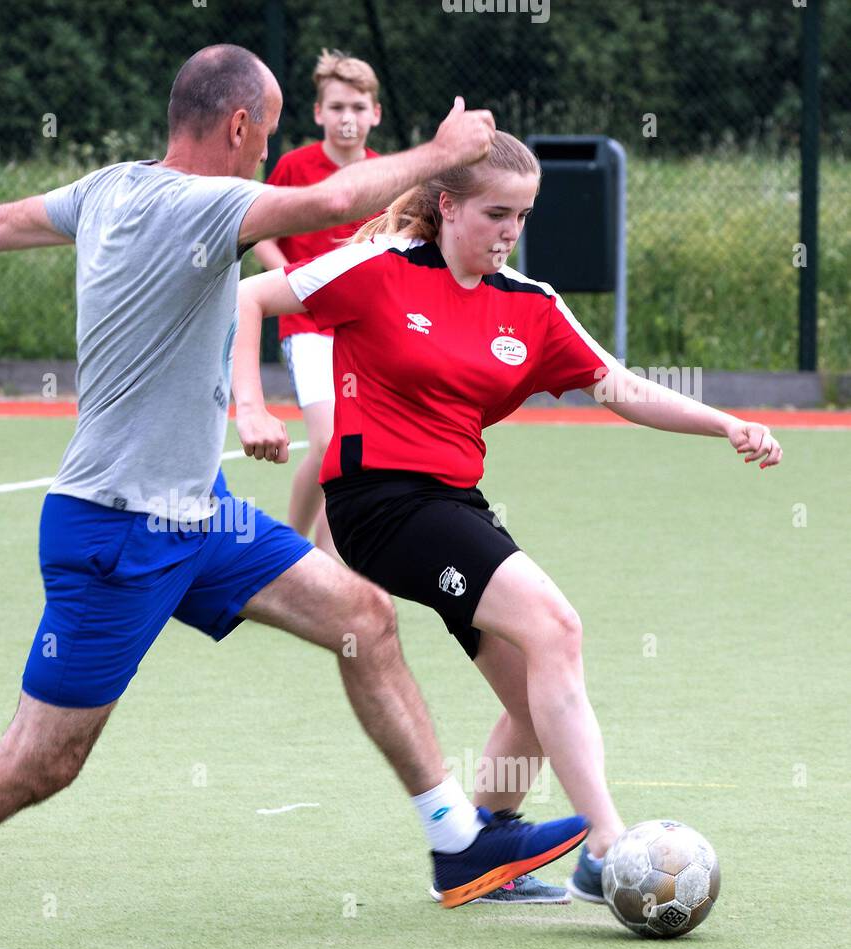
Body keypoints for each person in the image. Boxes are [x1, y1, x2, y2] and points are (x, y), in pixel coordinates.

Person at [0, 45, 589, 949]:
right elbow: (327, 205)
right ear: (238, 126)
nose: (271, 150)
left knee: (363, 616)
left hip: (199, 515)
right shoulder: (202, 205)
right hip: (116, 530)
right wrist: (443, 154)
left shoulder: (111, 186)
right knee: (42, 761)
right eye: (270, 132)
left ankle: (456, 840)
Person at [232, 128, 782, 906]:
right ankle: (608, 848)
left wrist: (725, 422)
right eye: (495, 214)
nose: (509, 232)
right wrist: (248, 404)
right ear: (447, 206)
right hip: (378, 503)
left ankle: (484, 844)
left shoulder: (529, 306)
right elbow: (253, 293)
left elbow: (620, 387)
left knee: (535, 698)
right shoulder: (378, 270)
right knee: (558, 625)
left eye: (521, 216)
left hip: (453, 505)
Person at [250, 49, 384, 561]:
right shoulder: (294, 167)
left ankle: (330, 561)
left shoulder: (386, 175)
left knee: (355, 448)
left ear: (374, 114)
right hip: (306, 325)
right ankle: (289, 550)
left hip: (366, 330)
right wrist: (287, 279)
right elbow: (261, 230)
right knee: (328, 442)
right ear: (317, 114)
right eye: (336, 107)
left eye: (356, 107)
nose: (346, 118)